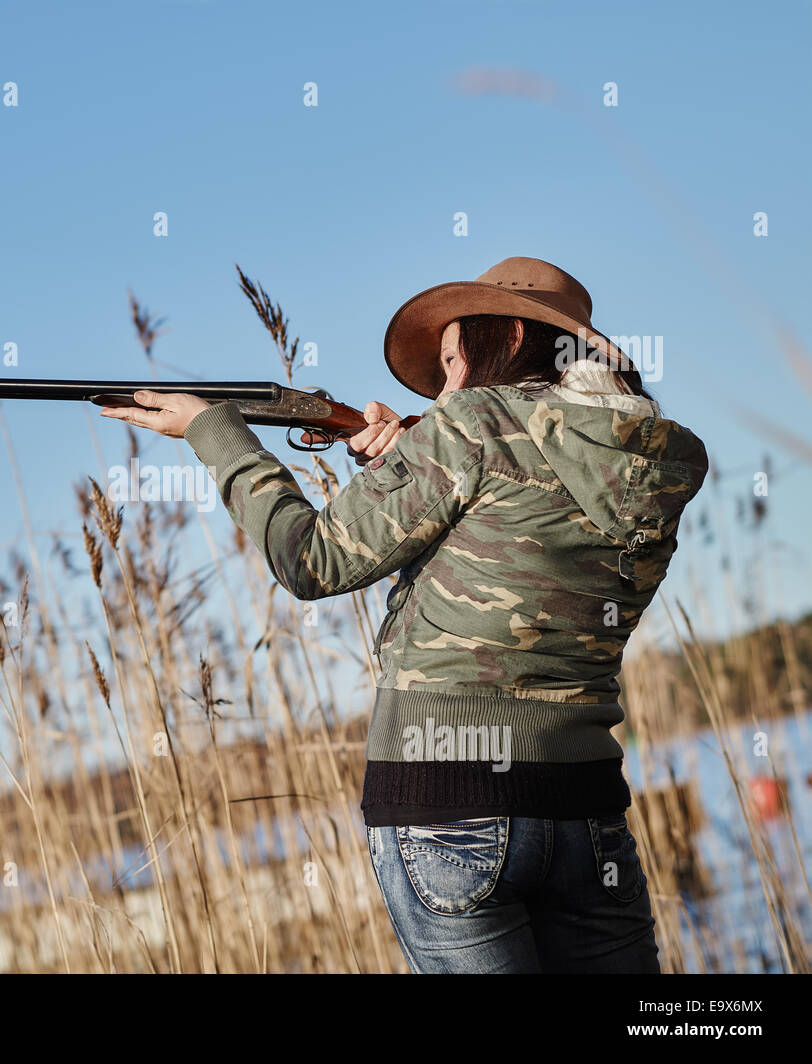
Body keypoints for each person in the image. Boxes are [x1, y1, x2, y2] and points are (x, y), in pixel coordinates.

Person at [99, 256, 709, 973]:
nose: (449, 385)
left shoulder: (471, 423)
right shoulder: (655, 464)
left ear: (508, 336)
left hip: (449, 805)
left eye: (454, 361)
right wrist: (411, 454)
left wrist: (217, 435)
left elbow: (313, 559)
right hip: (587, 812)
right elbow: (513, 508)